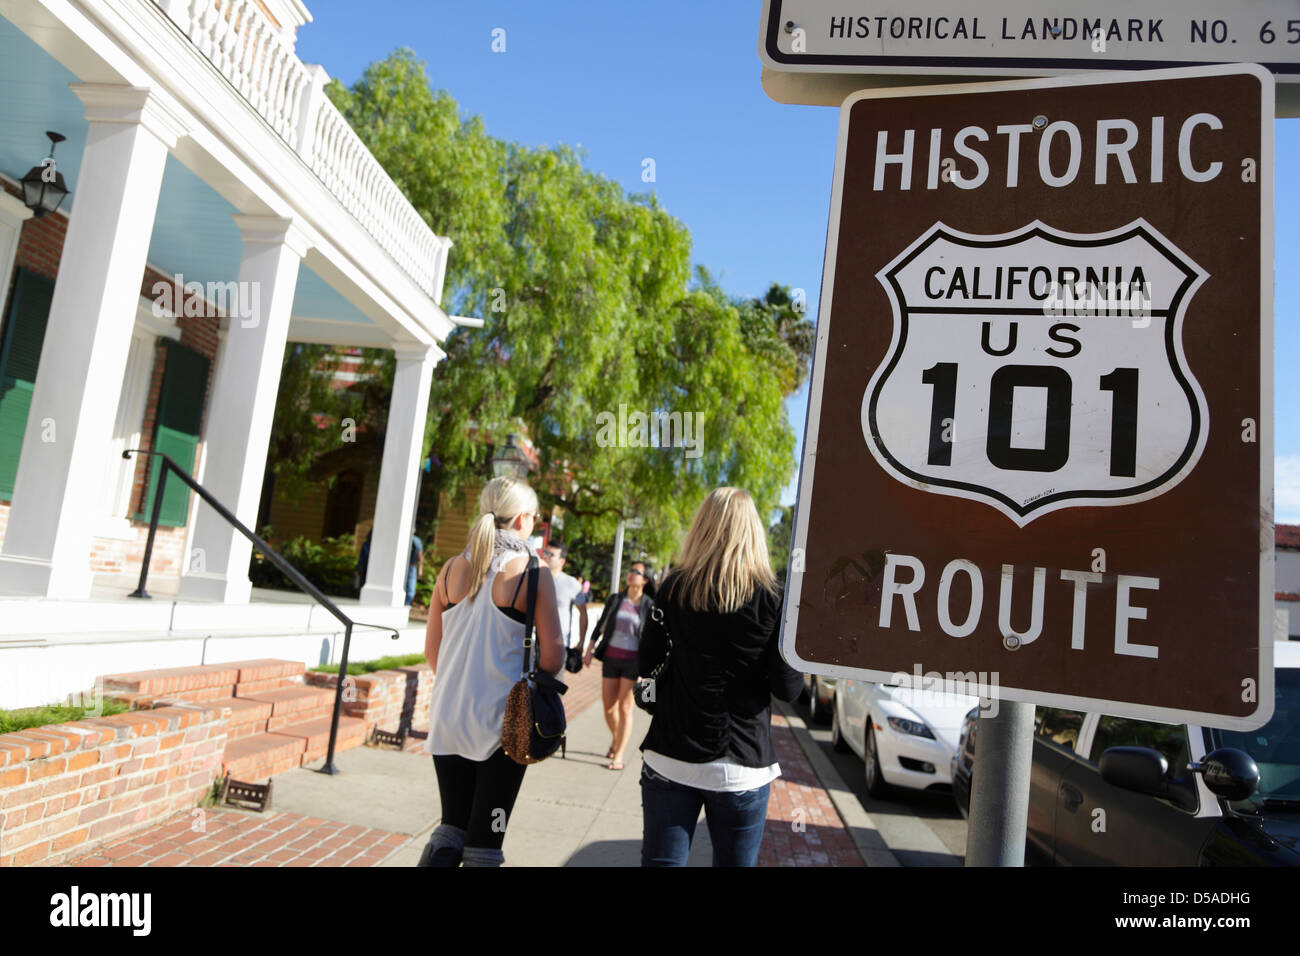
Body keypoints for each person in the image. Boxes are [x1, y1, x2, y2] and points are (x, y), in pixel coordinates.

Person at [637, 487, 803, 867]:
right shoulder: (775, 600)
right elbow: (788, 689)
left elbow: (646, 666)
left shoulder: (672, 590)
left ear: (700, 528)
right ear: (754, 532)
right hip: (741, 764)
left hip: (671, 755)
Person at [418, 477, 565, 867]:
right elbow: (553, 658)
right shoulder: (532, 572)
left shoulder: (450, 569)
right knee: (486, 842)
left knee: (452, 827)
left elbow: (433, 652)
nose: (535, 523)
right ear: (520, 520)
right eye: (534, 517)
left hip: (448, 717)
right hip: (503, 726)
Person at [585, 561, 654, 771]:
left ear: (645, 579)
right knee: (609, 706)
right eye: (631, 570)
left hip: (633, 661)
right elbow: (601, 624)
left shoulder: (648, 604)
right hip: (611, 658)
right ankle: (617, 738)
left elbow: (651, 637)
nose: (631, 574)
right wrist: (589, 648)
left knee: (625, 707)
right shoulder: (616, 599)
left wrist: (648, 670)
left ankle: (620, 753)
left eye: (637, 572)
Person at [540, 541, 588, 677]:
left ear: (562, 561)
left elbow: (583, 613)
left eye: (551, 554)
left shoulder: (571, 583)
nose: (546, 556)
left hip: (557, 646)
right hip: (531, 643)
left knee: (553, 692)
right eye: (545, 552)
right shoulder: (532, 577)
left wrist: (581, 641)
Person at [405, 532, 424, 607]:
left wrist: (420, 569)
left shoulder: (416, 540)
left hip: (411, 568)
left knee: (411, 592)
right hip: (402, 568)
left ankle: (405, 606)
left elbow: (420, 556)